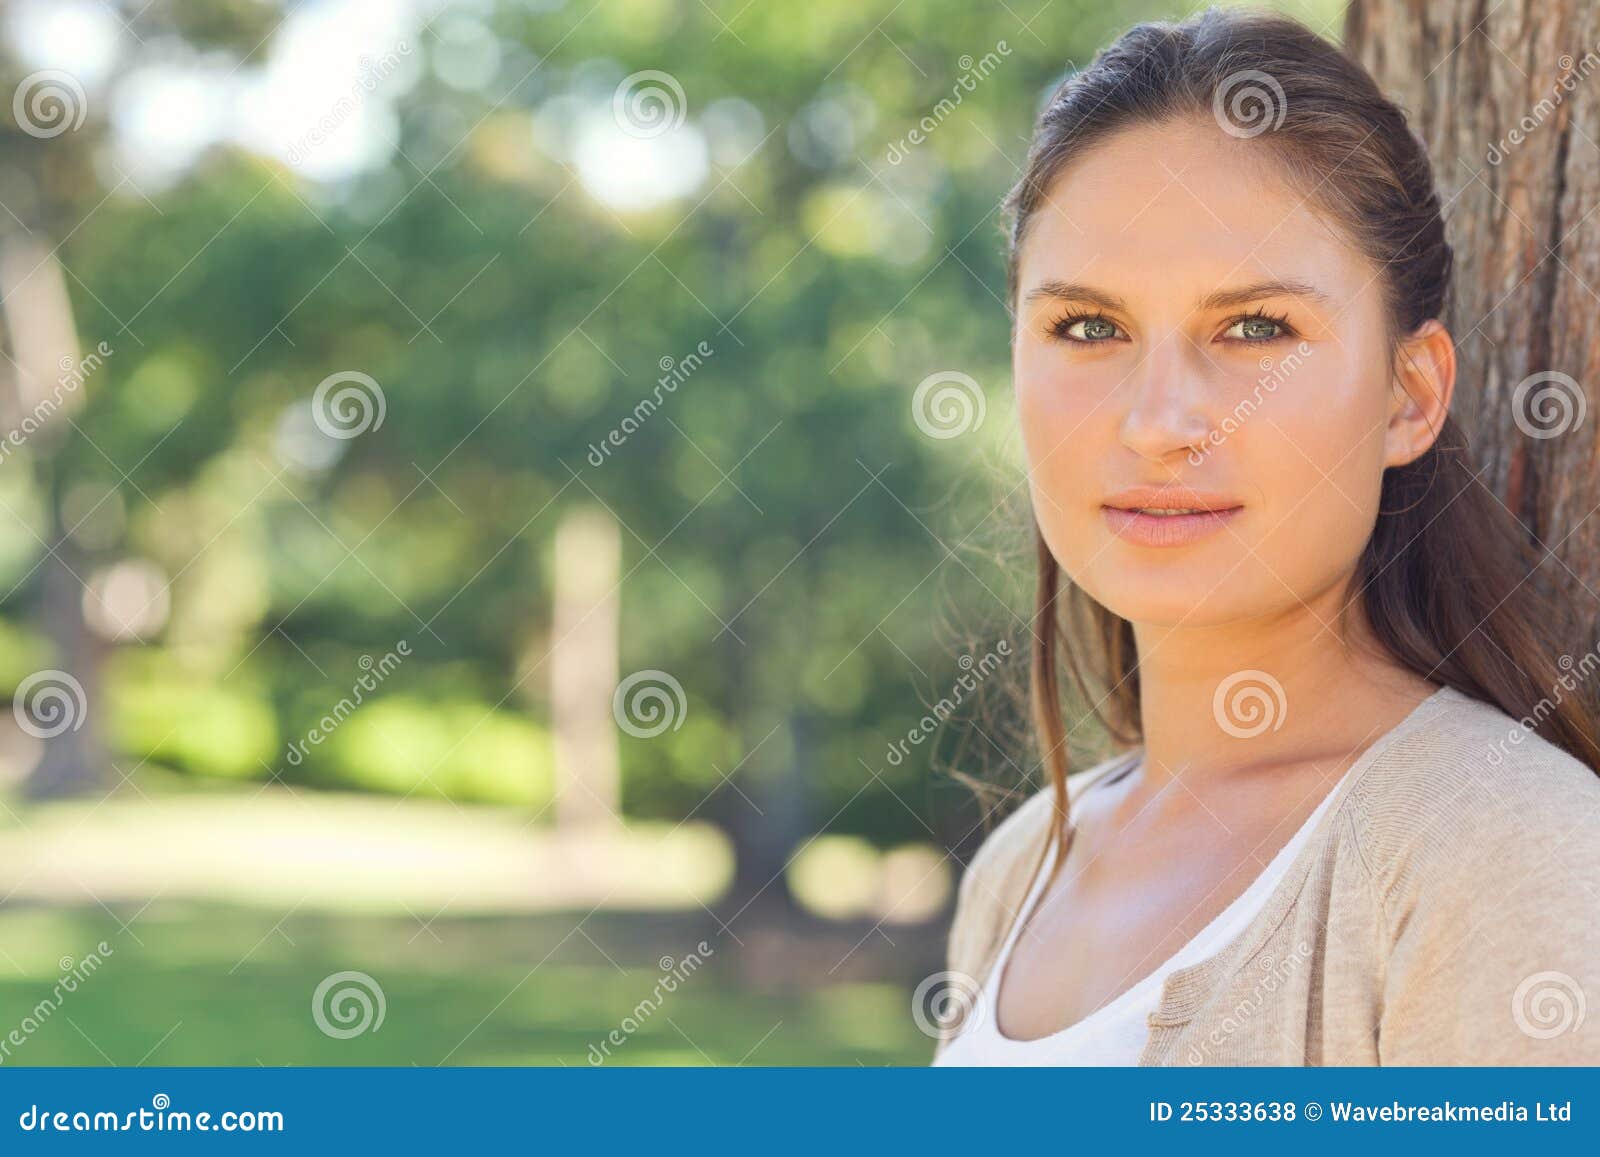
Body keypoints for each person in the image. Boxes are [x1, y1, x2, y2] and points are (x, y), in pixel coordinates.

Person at [933, 5, 1600, 1066]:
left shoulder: (1512, 855)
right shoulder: (1020, 870)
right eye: (1088, 327)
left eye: (1255, 328)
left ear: (1408, 394)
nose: (1157, 423)